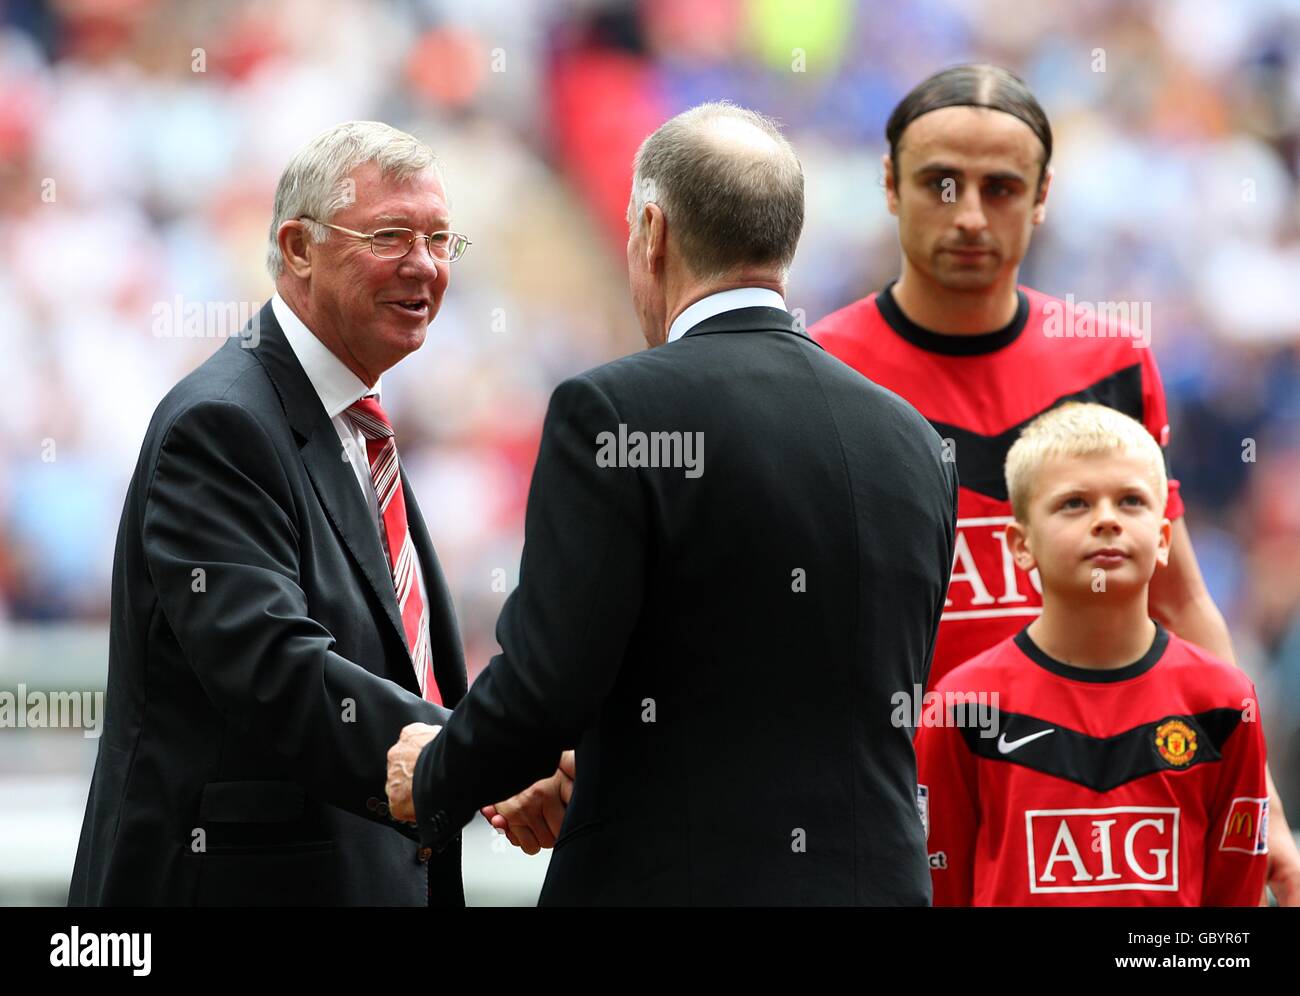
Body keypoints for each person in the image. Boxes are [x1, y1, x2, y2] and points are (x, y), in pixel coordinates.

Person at [385, 102, 959, 905]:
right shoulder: (914, 440)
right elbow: (831, 691)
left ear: (651, 231)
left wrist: (436, 775)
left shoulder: (613, 412)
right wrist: (604, 760)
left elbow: (546, 685)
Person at [810, 63, 1298, 904]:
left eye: (1001, 188)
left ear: (1042, 199)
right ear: (889, 186)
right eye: (940, 183)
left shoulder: (1107, 362)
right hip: (882, 813)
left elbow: (1177, 598)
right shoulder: (820, 374)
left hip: (1084, 817)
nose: (969, 215)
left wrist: (1268, 815)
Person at [69, 120, 565, 906]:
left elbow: (396, 668)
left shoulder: (353, 423)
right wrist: (476, 760)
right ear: (298, 247)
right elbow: (278, 672)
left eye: (442, 239)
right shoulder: (222, 424)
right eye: (392, 234)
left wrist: (482, 764)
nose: (426, 265)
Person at [916, 402, 1268, 905]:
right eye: (1074, 504)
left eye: (1130, 501)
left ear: (1165, 538)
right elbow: (941, 888)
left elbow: (1231, 907)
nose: (1106, 520)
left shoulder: (1225, 704)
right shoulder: (961, 707)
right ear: (1021, 544)